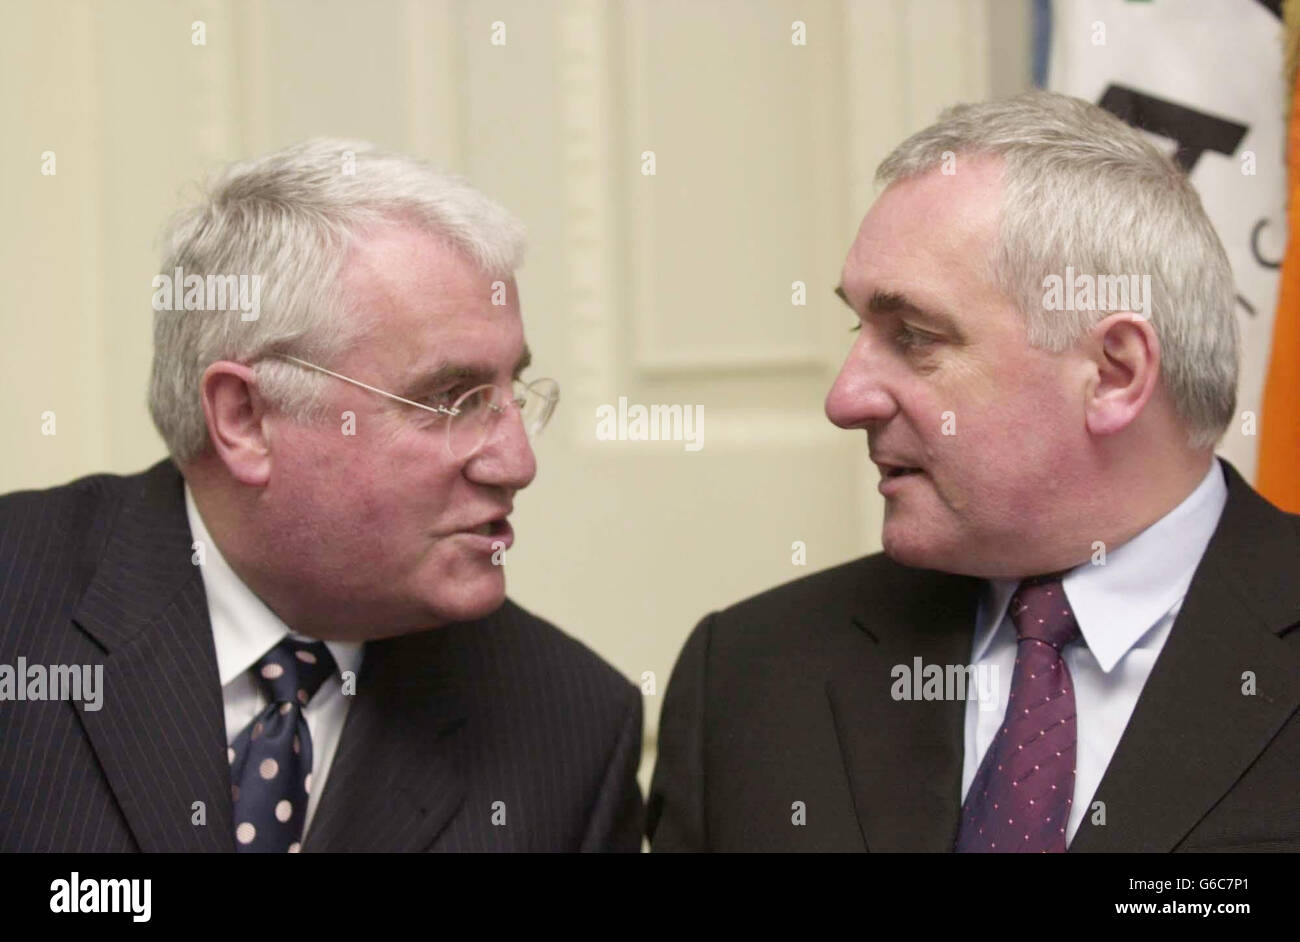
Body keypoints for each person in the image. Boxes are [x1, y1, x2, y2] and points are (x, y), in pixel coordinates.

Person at [647, 91, 1299, 852]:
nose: (843, 399)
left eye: (914, 336)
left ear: (1114, 375)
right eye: (859, 328)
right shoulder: (752, 673)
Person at [0, 139, 642, 852]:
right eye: (451, 397)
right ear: (246, 419)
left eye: (509, 393)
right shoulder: (15, 603)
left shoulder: (567, 728)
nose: (516, 462)